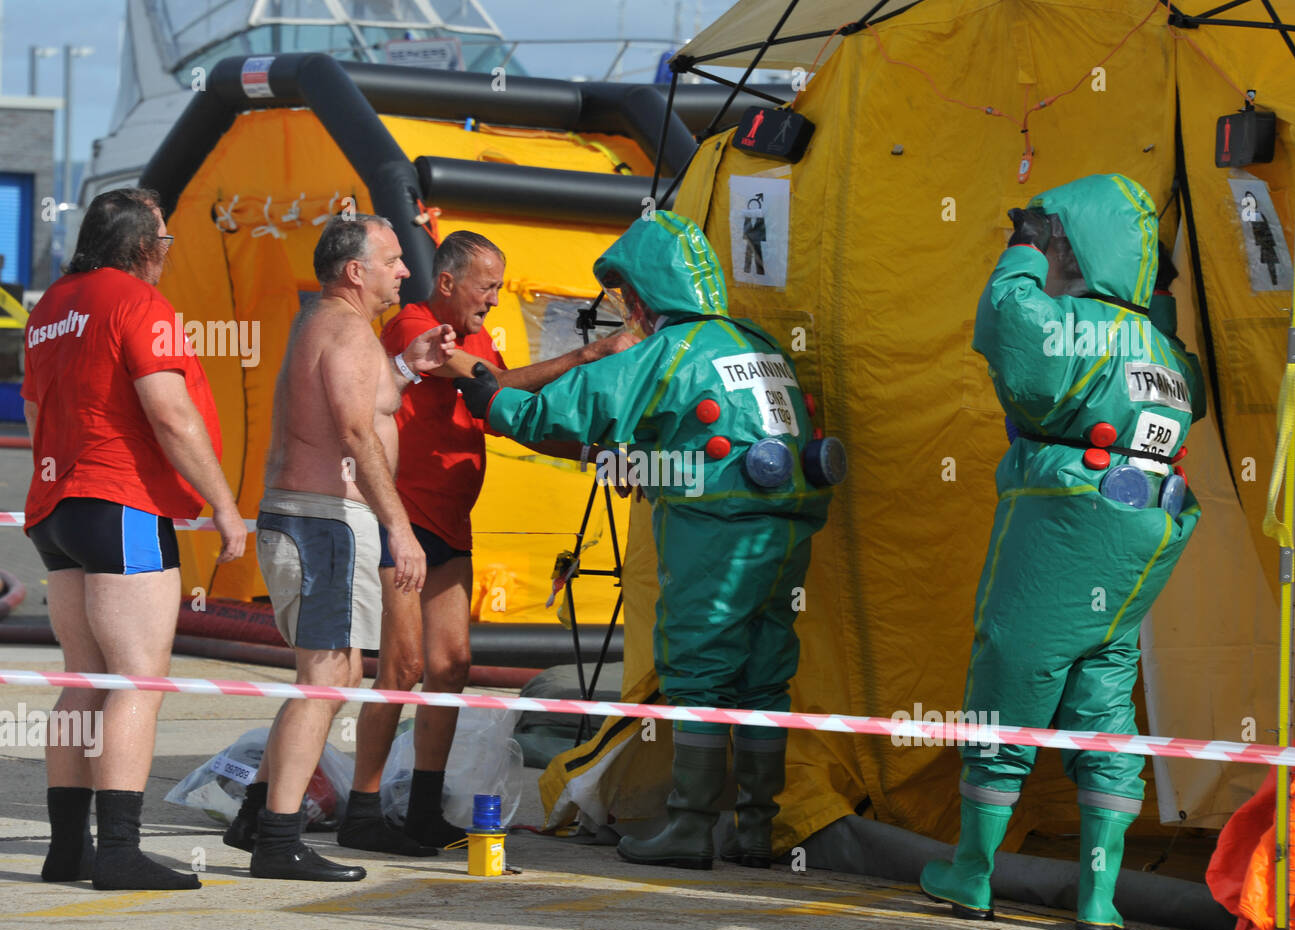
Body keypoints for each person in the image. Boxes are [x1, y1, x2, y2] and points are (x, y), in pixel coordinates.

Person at [456, 211, 840, 870]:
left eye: (629, 296)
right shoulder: (757, 344)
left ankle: (689, 826)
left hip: (715, 529)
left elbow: (573, 407)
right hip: (788, 530)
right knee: (764, 675)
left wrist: (488, 395)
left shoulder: (675, 349)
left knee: (699, 670)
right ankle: (757, 828)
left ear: (646, 293)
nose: (627, 309)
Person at [918, 174, 1206, 930]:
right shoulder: (1163, 347)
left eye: (1052, 239)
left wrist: (1018, 249)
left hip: (1063, 514)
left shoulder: (1072, 321)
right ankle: (1099, 898)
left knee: (1008, 673)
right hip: (1146, 529)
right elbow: (1186, 388)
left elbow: (1010, 326)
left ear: (1067, 247)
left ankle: (971, 876)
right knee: (1101, 696)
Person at [336, 230, 639, 855]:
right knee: (403, 668)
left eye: (500, 287)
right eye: (489, 286)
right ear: (448, 282)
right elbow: (495, 383)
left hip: (450, 525)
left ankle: (422, 809)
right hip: (407, 518)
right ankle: (361, 812)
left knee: (451, 669)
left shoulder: (472, 334)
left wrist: (592, 451)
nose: (496, 299)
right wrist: (592, 353)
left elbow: (506, 411)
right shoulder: (416, 325)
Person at [22, 187, 246, 891]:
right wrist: (224, 505)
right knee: (137, 682)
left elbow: (34, 415)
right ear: (143, 246)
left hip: (55, 506)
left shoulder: (49, 308)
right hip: (120, 500)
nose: (169, 254)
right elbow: (172, 414)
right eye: (166, 242)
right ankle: (118, 850)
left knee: (81, 681)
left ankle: (67, 849)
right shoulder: (138, 303)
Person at [222, 213, 457, 880]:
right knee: (325, 678)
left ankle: (256, 812)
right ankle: (277, 840)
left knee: (337, 675)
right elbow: (356, 433)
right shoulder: (348, 327)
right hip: (324, 520)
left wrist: (408, 368)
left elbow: (354, 405)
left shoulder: (332, 323)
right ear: (357, 272)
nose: (405, 271)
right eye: (392, 260)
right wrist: (401, 528)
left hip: (318, 518)